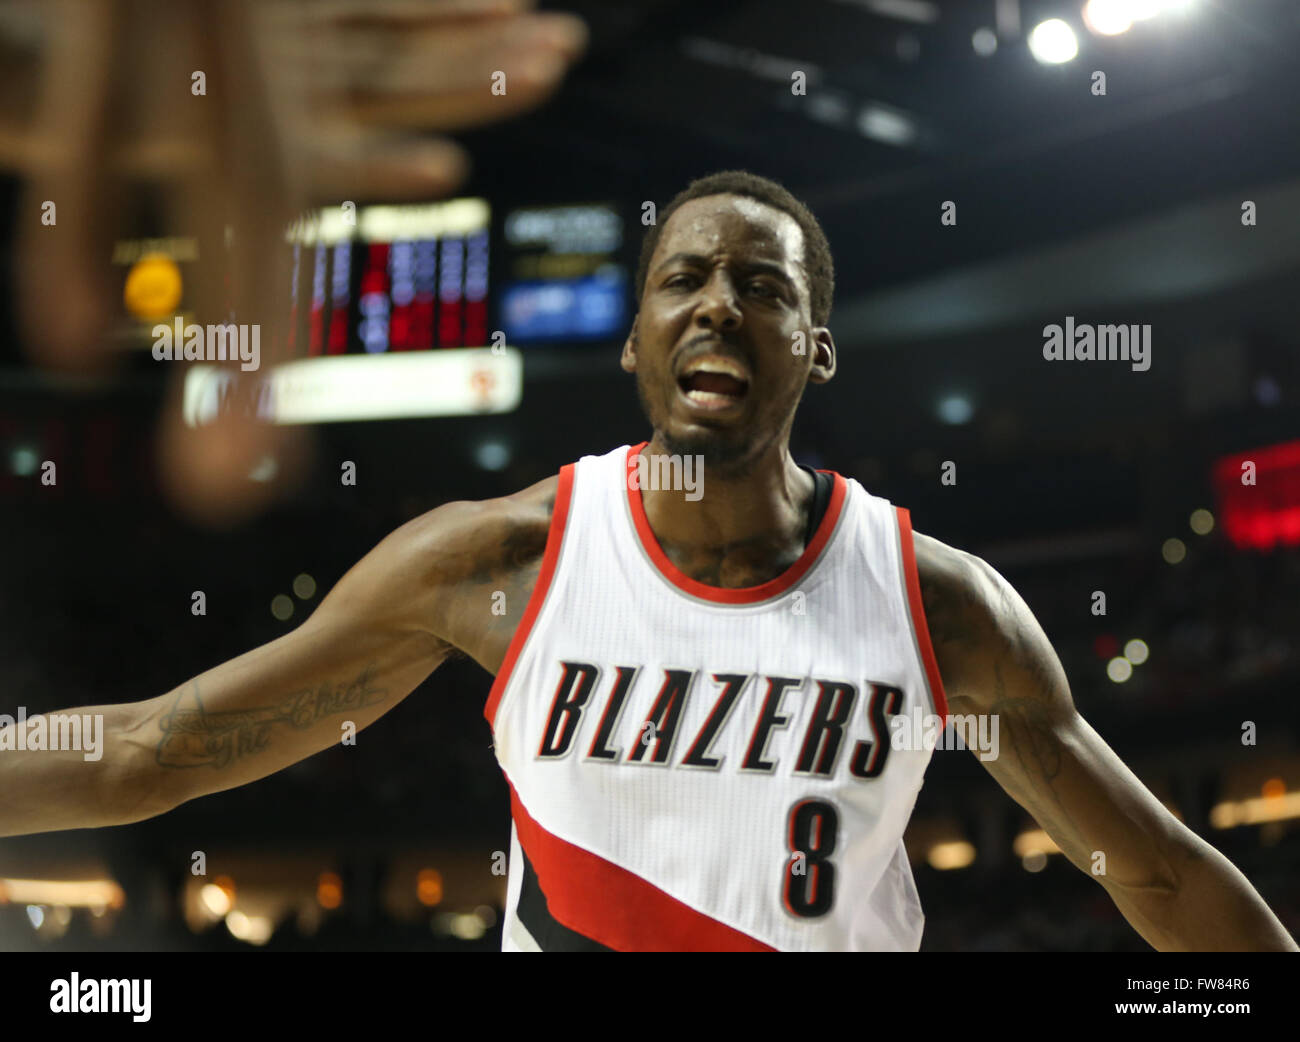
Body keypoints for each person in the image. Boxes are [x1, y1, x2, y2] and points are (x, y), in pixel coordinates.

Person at [2, 170, 1295, 953]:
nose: (720, 303)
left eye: (762, 285)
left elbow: (1158, 865)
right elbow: (151, 750)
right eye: (683, 278)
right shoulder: (495, 562)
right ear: (636, 342)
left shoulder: (938, 607)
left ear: (818, 348)